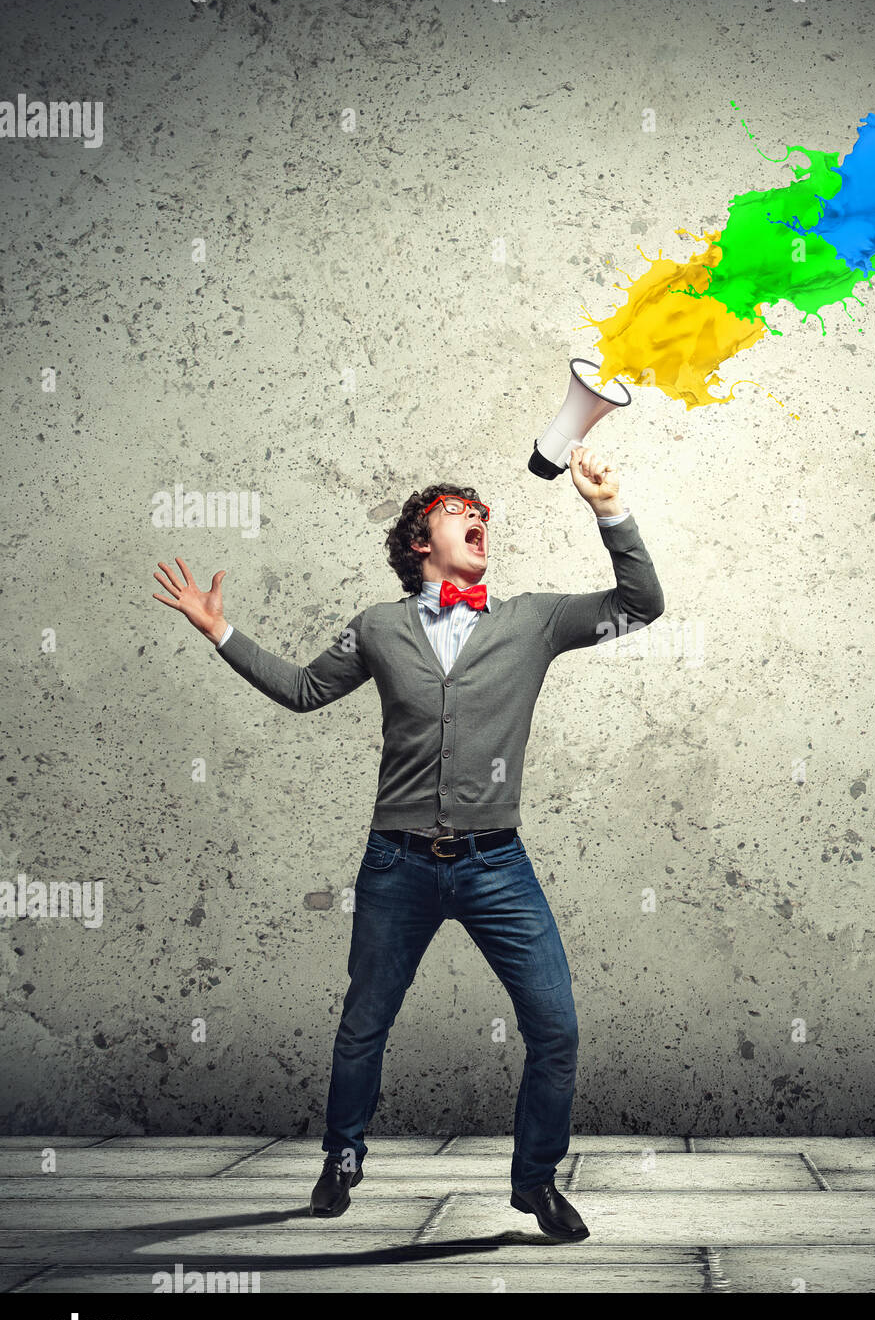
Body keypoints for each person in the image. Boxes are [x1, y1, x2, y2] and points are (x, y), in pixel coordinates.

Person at [151, 445, 665, 1242]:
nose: (480, 520)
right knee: (364, 1023)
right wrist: (222, 632)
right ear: (421, 542)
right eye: (462, 513)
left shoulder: (532, 619)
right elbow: (302, 691)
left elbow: (641, 603)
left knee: (555, 1028)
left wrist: (608, 509)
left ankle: (534, 1182)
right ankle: (343, 1157)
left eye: (483, 514)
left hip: (498, 863)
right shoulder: (378, 628)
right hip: (396, 864)